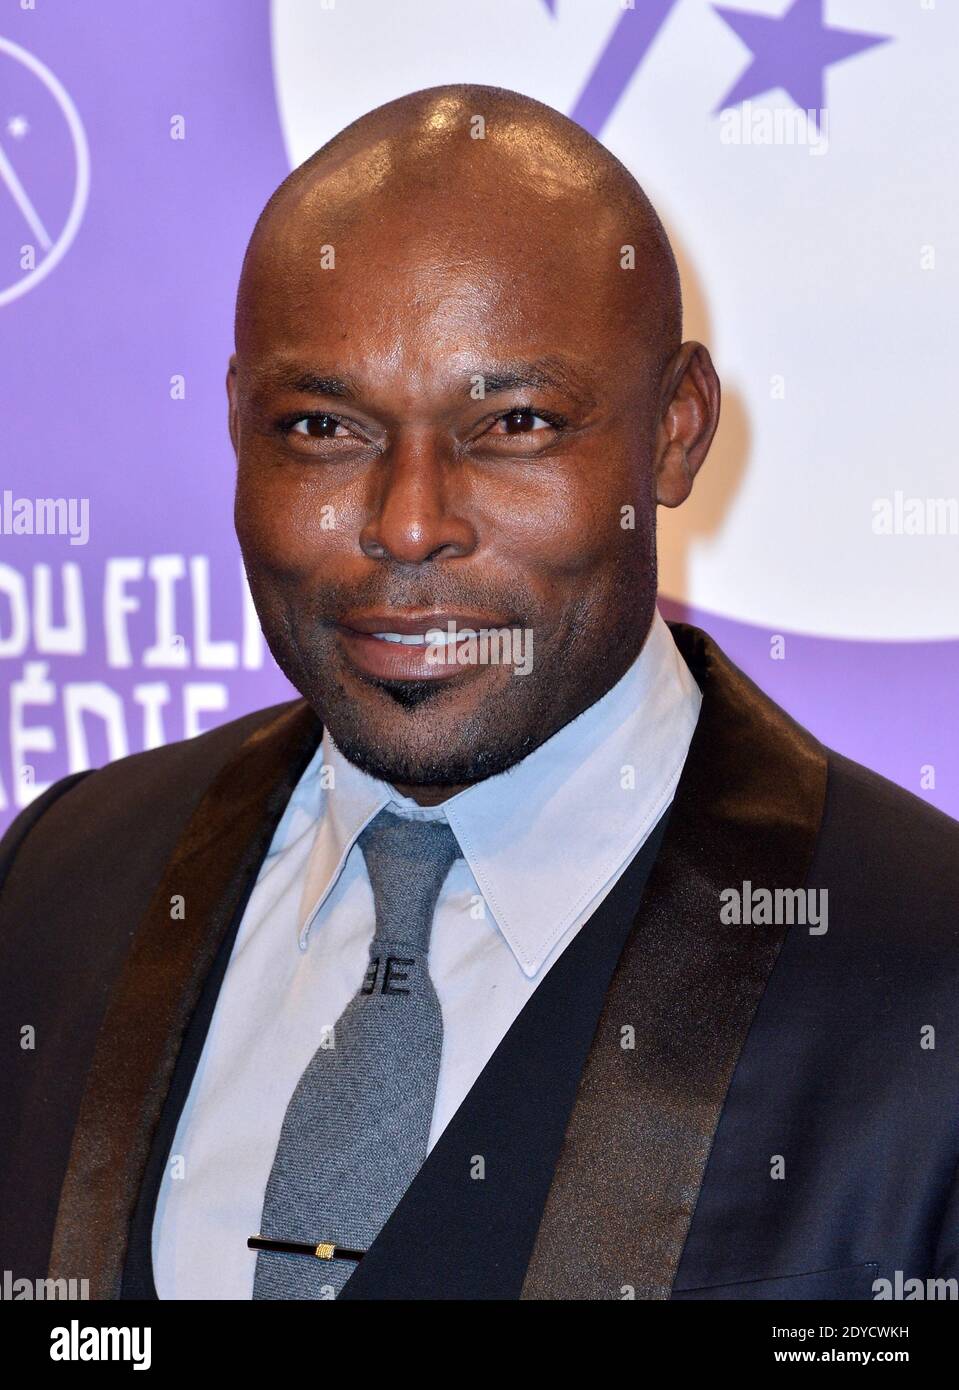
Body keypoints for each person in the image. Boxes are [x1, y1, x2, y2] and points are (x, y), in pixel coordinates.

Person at [1, 84, 957, 1302]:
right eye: (320, 426)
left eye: (512, 422)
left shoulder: (920, 967)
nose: (406, 523)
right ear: (236, 425)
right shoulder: (62, 884)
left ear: (673, 431)